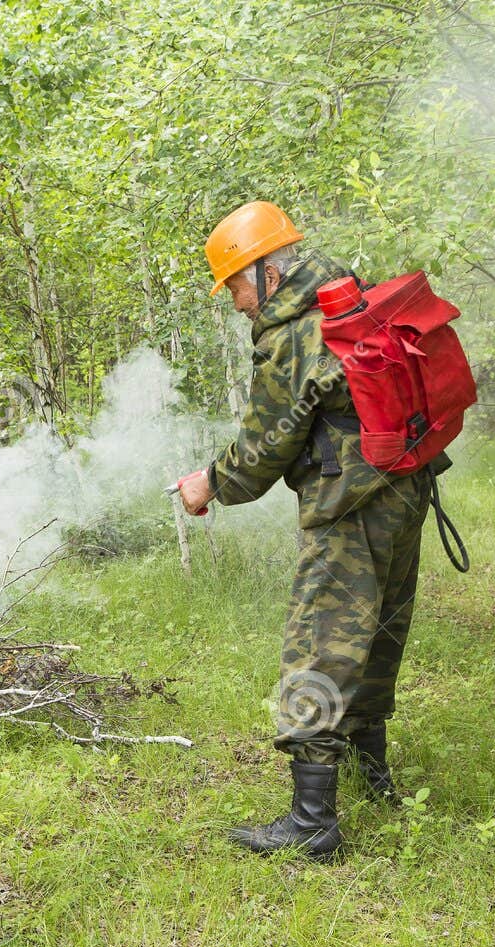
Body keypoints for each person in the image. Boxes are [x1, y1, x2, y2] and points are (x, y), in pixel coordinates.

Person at [177, 201, 446, 859]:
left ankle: (312, 824)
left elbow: (266, 446)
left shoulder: (295, 330)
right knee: (379, 628)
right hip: (405, 487)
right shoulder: (345, 296)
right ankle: (370, 772)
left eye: (235, 284)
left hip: (350, 503)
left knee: (319, 644)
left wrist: (209, 481)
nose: (236, 302)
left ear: (266, 270)